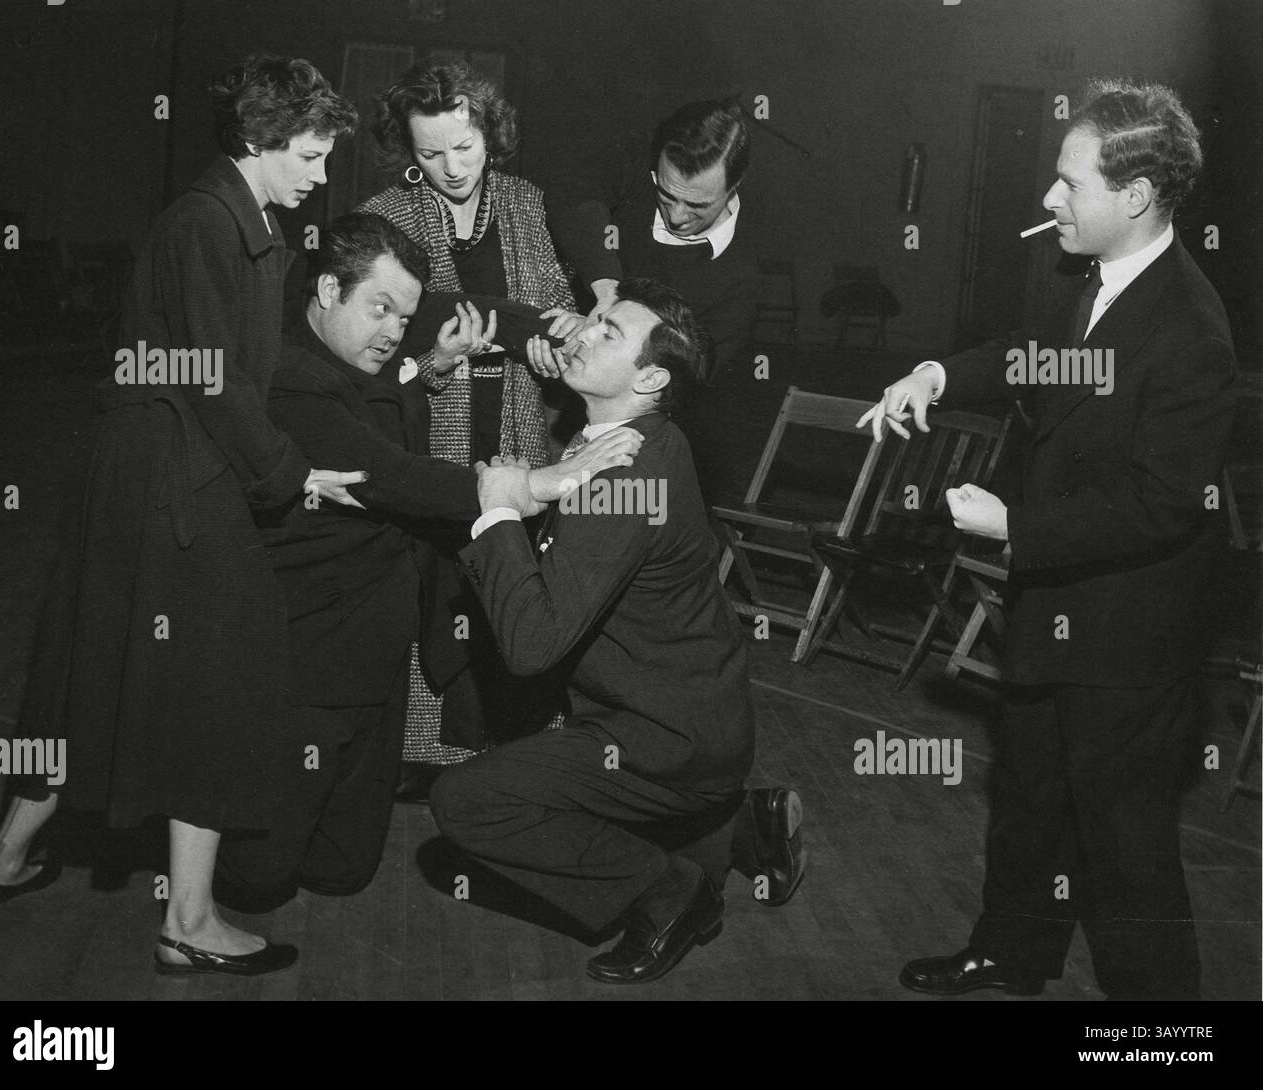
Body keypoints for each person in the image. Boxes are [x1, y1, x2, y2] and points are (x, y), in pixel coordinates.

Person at [0, 56, 363, 977]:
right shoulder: (205, 225)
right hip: (176, 476)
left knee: (97, 662)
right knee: (220, 672)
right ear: (259, 143)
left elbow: (252, 364)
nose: (318, 174)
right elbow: (219, 382)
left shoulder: (241, 221)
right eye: (307, 154)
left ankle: (3, 857)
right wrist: (290, 475)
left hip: (154, 472)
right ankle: (187, 919)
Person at [858, 80, 1236, 1000]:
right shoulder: (1092, 285)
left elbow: (1164, 503)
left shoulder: (1189, 329)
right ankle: (1010, 955)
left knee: (1124, 846)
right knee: (1028, 799)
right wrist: (937, 372)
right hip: (1056, 609)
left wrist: (1014, 525)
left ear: (1137, 194)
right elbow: (1034, 356)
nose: (1048, 199)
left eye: (1069, 182)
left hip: (1127, 640)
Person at [215, 213, 641, 910]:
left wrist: (433, 364)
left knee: (343, 871)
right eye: (378, 308)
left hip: (376, 649)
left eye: (403, 316)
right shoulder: (290, 375)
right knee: (258, 882)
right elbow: (389, 472)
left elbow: (378, 404)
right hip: (307, 654)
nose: (391, 331)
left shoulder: (356, 365)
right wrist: (532, 485)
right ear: (325, 290)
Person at [432, 279, 802, 985]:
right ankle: (745, 825)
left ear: (653, 377)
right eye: (591, 319)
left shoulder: (621, 472)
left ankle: (671, 894)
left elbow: (532, 644)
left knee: (469, 801)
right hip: (698, 723)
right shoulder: (643, 442)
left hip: (665, 742)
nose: (582, 332)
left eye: (608, 333)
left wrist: (501, 513)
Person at [357, 61, 585, 786]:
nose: (452, 168)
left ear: (491, 133)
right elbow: (375, 363)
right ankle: (427, 757)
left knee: (514, 576)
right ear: (407, 151)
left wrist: (555, 342)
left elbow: (550, 302)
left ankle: (511, 748)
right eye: (430, 153)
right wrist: (436, 361)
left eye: (465, 146)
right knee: (437, 586)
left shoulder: (525, 202)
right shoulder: (385, 216)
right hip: (432, 432)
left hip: (518, 425)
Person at [543, 99, 761, 500]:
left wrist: (600, 344)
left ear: (734, 185)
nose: (677, 216)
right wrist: (606, 291)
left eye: (698, 205)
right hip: (560, 395)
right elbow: (572, 193)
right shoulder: (636, 156)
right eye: (666, 194)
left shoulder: (744, 273)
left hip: (644, 428)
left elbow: (686, 383)